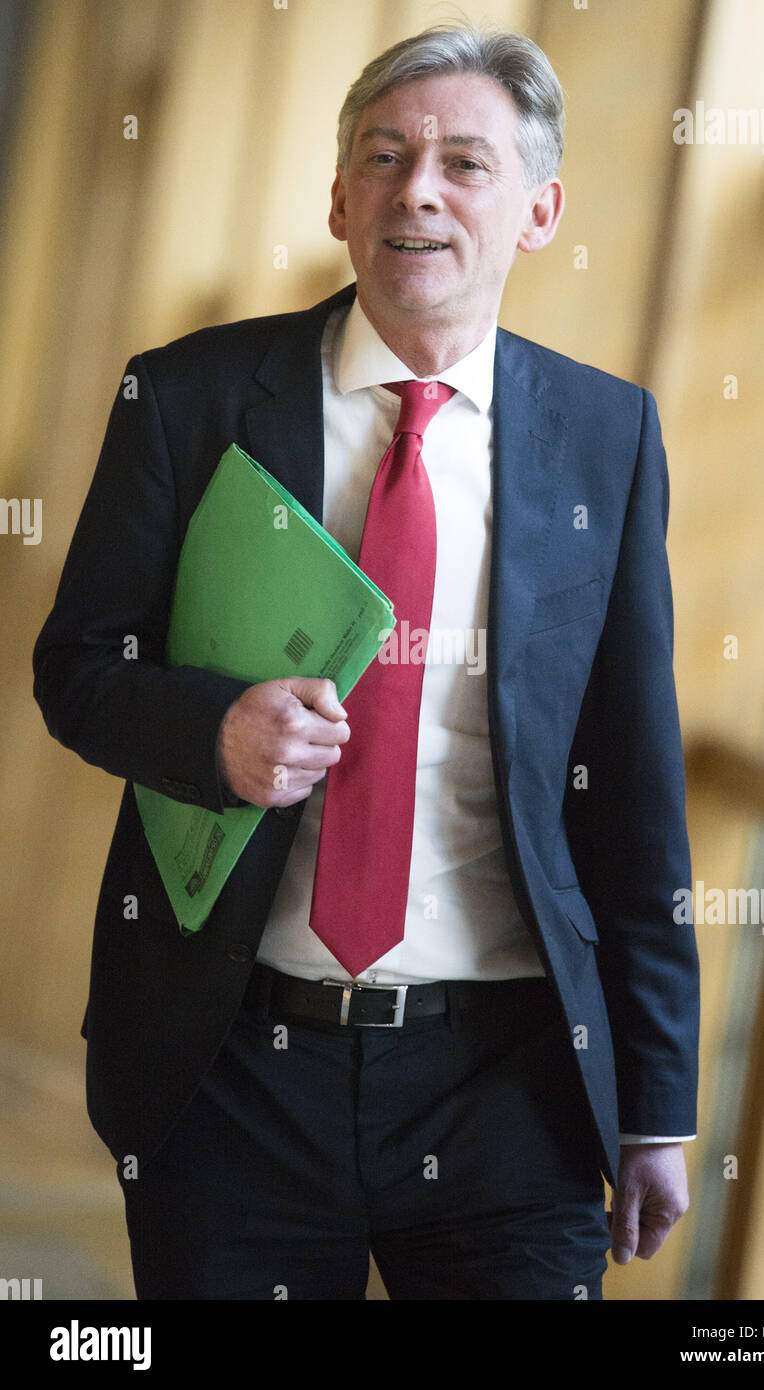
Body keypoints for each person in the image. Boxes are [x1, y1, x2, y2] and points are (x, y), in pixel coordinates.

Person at [32, 24, 699, 1301]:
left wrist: (656, 1099)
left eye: (464, 162)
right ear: (339, 198)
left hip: (508, 1089)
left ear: (539, 208)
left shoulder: (606, 438)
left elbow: (632, 783)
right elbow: (79, 666)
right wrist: (214, 734)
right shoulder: (187, 398)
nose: (419, 190)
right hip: (236, 1067)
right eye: (385, 157)